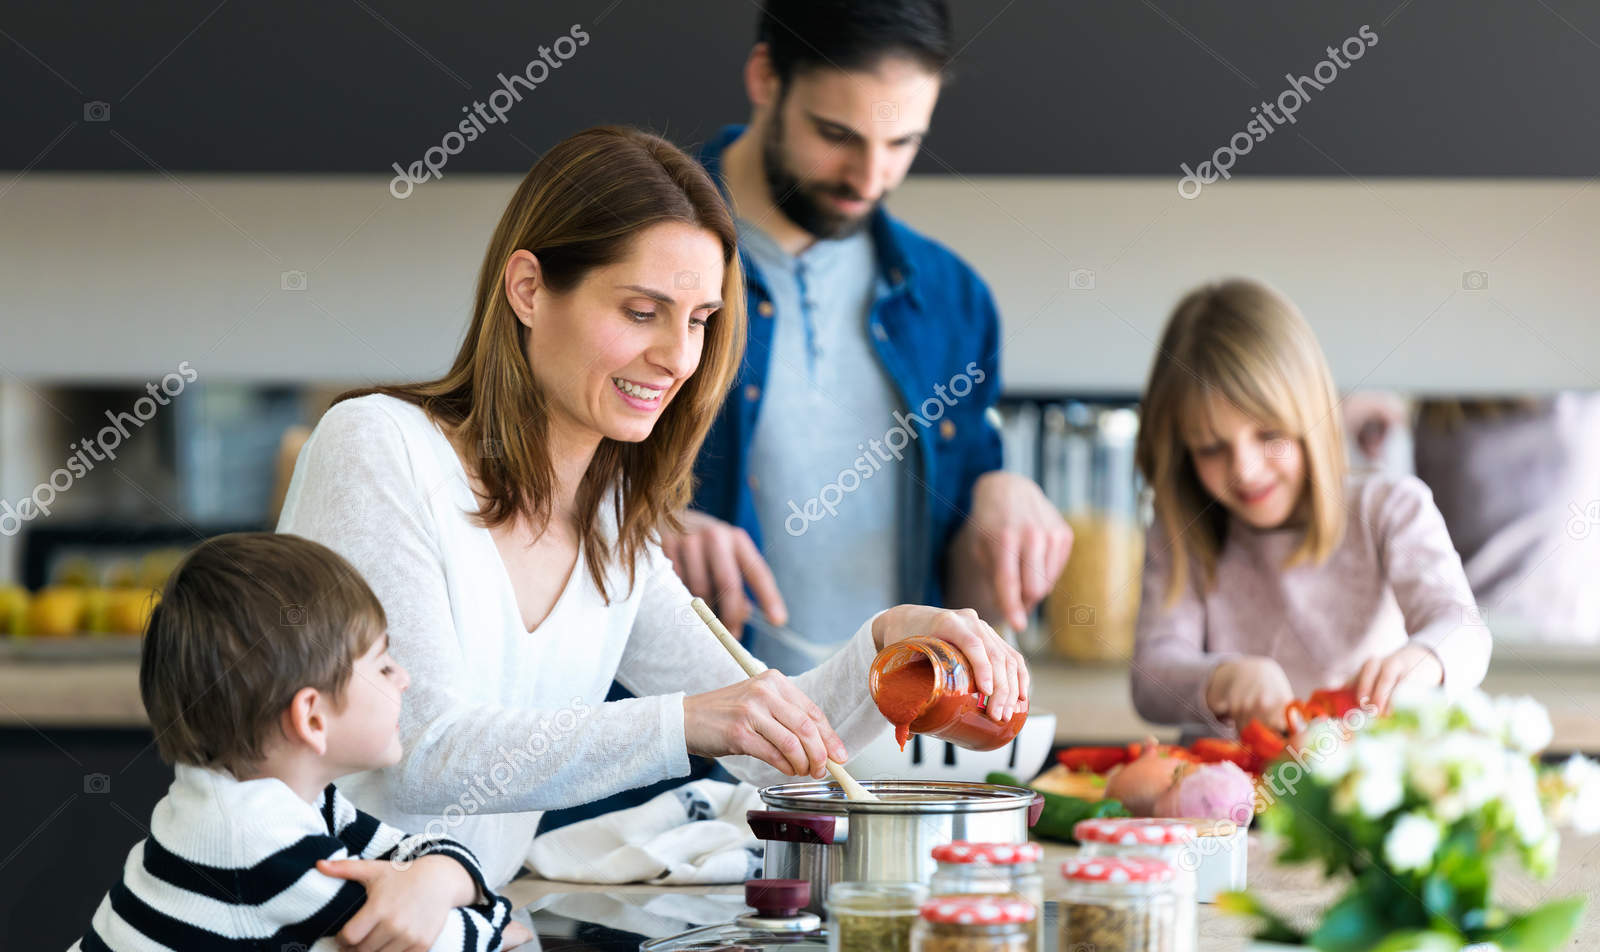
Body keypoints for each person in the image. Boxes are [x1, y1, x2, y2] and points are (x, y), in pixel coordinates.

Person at [276, 126, 1027, 890]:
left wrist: (889, 641)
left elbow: (758, 739)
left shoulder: (611, 522)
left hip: (444, 945)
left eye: (699, 319)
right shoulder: (379, 446)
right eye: (643, 311)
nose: (678, 356)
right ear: (528, 289)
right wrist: (684, 722)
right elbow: (414, 750)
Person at [2, 534, 522, 952]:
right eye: (384, 663)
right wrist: (493, 915)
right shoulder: (250, 840)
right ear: (313, 719)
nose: (405, 678)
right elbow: (426, 951)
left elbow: (416, 851)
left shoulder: (286, 800)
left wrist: (435, 879)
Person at [663, 0, 1073, 674]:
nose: (870, 177)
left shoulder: (953, 302)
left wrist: (999, 495)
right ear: (767, 77)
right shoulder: (634, 250)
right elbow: (526, 497)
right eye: (836, 133)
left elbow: (972, 600)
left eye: (903, 143)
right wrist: (637, 532)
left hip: (887, 757)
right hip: (688, 758)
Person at [1130, 279, 1492, 735]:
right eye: (1210, 448)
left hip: (1358, 784)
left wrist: (1421, 661)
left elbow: (1464, 628)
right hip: (1230, 794)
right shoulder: (1182, 526)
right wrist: (1221, 677)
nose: (1244, 468)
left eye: (1269, 436)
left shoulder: (1390, 508)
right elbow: (1150, 677)